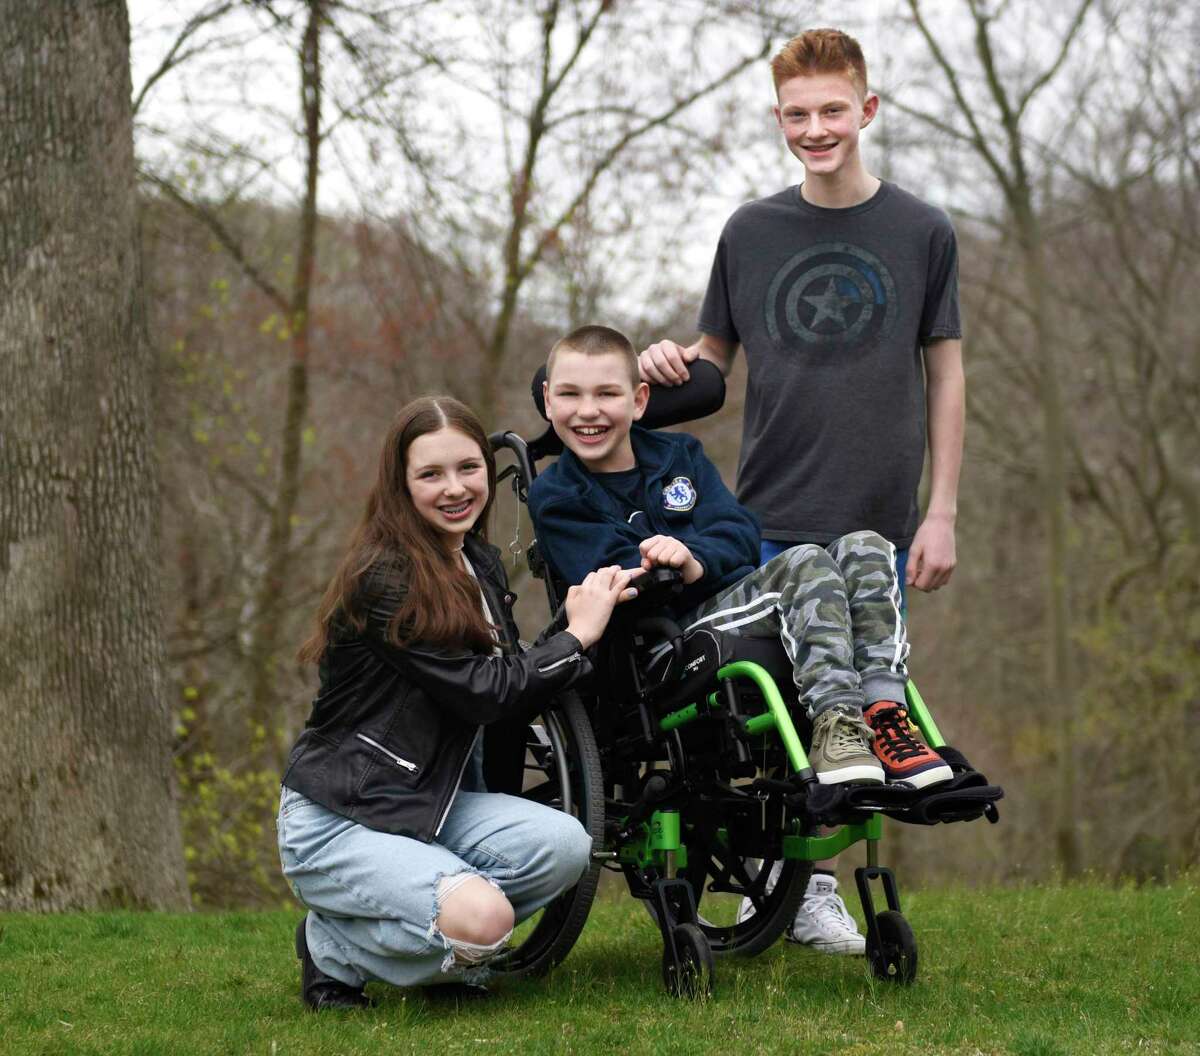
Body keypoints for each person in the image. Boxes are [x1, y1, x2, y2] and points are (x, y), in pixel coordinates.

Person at [638, 28, 965, 954]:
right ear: (777, 119)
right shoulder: (750, 231)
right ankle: (770, 888)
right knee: (771, 713)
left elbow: (946, 373)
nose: (815, 128)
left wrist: (939, 514)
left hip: (878, 528)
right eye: (797, 115)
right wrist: (666, 363)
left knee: (866, 706)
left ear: (866, 110)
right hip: (766, 519)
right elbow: (710, 370)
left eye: (832, 111)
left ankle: (814, 890)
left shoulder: (921, 232)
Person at [277, 396, 635, 1009]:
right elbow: (485, 693)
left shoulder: (477, 562)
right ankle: (333, 946)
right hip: (343, 815)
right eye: (430, 474)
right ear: (400, 484)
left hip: (432, 805)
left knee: (567, 846)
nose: (455, 489)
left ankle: (432, 934)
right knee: (485, 923)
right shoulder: (385, 576)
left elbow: (510, 677)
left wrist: (587, 628)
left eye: (468, 468)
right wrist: (577, 635)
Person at [529, 326, 952, 794]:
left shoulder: (679, 456)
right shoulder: (556, 495)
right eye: (570, 395)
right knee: (804, 562)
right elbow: (613, 580)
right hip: (660, 642)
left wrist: (696, 558)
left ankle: (885, 714)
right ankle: (835, 723)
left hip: (728, 601)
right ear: (549, 402)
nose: (588, 411)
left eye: (607, 393)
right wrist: (668, 565)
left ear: (639, 400)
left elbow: (741, 533)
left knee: (866, 545)